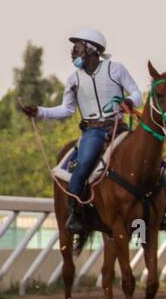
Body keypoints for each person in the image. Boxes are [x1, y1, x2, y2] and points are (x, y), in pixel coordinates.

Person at [18, 28, 142, 234]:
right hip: (93, 131)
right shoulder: (73, 79)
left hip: (118, 127)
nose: (72, 51)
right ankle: (75, 212)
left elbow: (137, 92)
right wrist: (39, 111)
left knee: (150, 158)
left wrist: (130, 100)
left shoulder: (116, 69)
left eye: (77, 47)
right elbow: (66, 109)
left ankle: (159, 211)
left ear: (91, 49)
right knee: (84, 163)